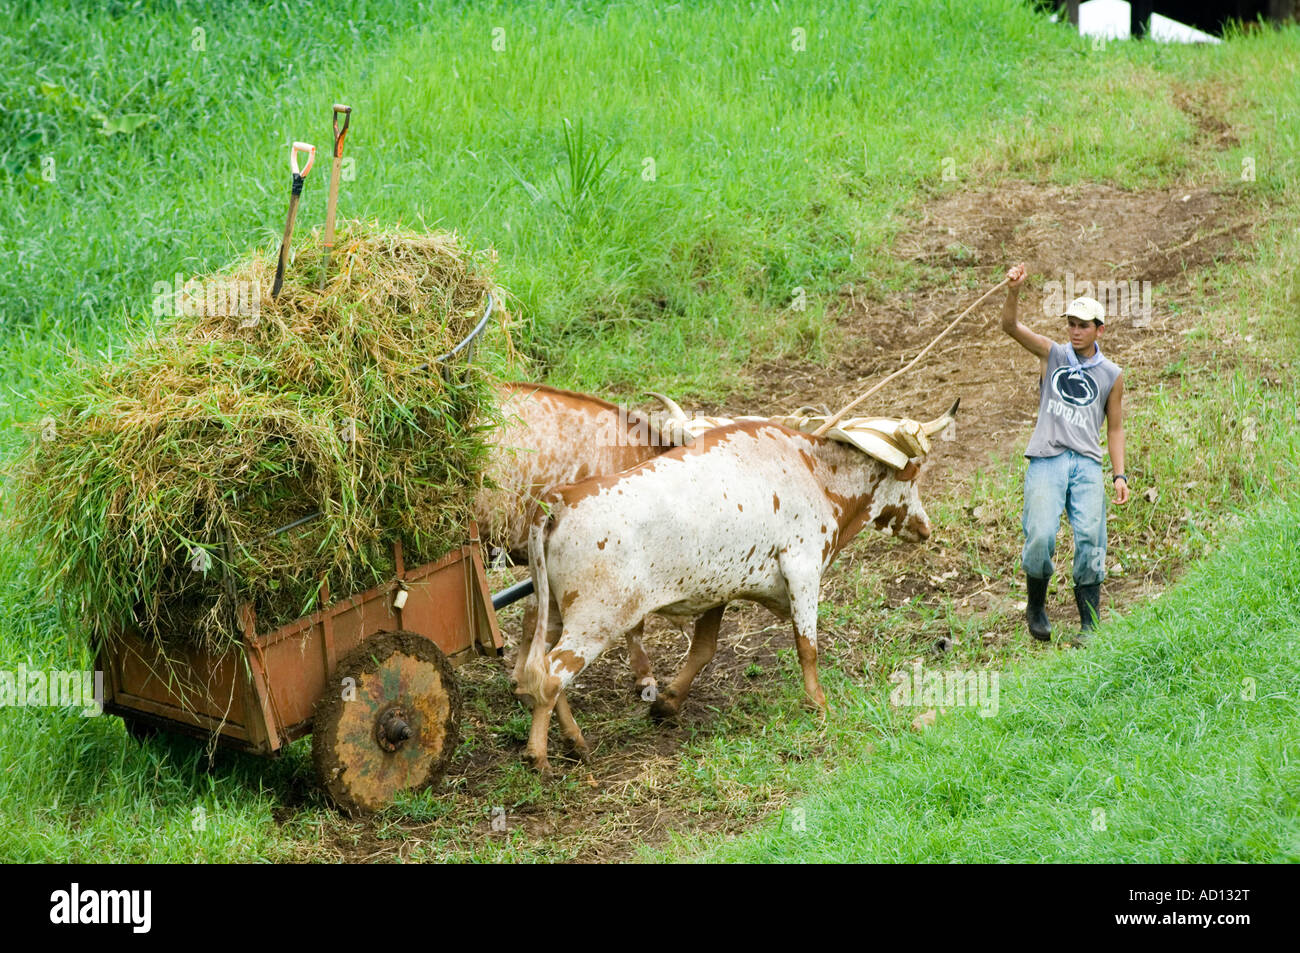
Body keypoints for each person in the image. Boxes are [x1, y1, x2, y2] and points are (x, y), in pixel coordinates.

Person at [1000, 263, 1129, 643]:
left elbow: (1116, 427)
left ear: (1099, 330)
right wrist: (1013, 291)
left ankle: (1090, 624)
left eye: (1083, 325)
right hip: (1047, 457)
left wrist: (1119, 475)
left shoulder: (1111, 374)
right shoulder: (1052, 354)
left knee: (1091, 538)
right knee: (1039, 535)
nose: (1075, 331)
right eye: (1071, 323)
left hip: (1087, 463)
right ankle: (1036, 606)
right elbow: (1010, 327)